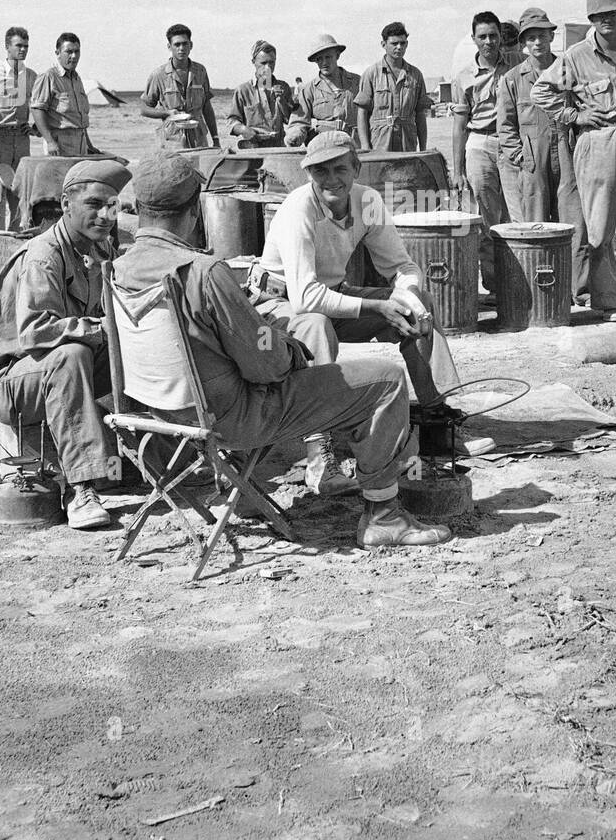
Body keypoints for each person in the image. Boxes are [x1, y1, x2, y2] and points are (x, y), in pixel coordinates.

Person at [113, 152, 450, 549]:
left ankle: (291, 463)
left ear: (138, 209)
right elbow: (266, 364)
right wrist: (293, 350)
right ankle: (383, 515)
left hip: (160, 417)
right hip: (234, 420)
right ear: (194, 209)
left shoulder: (119, 269)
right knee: (387, 380)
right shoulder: (204, 272)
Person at [248, 130, 459, 491]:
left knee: (417, 306)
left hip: (331, 294)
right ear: (308, 175)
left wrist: (404, 298)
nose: (332, 180)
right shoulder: (299, 208)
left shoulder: (368, 201)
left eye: (340, 169)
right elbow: (305, 299)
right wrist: (378, 305)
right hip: (275, 305)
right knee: (316, 327)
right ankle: (319, 455)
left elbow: (404, 267)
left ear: (356, 168)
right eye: (321, 172)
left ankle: (436, 421)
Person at [0, 158, 132, 530]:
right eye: (94, 205)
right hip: (10, 380)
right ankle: (81, 489)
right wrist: (101, 327)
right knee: (73, 353)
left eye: (112, 206)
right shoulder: (44, 255)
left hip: (51, 372)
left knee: (134, 346)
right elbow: (35, 331)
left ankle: (152, 457)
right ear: (66, 205)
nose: (106, 215)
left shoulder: (100, 247)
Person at [531, 0, 616, 320]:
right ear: (591, 19)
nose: (606, 20)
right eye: (598, 15)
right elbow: (542, 90)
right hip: (595, 141)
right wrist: (573, 115)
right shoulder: (575, 56)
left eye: (612, 13)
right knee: (600, 228)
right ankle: (609, 302)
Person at [497, 7, 591, 300]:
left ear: (552, 36)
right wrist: (521, 159)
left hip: (566, 152)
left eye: (543, 35)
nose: (538, 42)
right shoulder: (512, 79)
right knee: (536, 228)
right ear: (524, 42)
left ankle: (580, 291)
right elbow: (506, 127)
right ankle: (542, 291)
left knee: (574, 224)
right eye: (531, 37)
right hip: (533, 160)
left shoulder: (569, 68)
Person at [450, 11, 512, 294]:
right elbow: (459, 126)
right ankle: (493, 285)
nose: (489, 41)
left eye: (493, 35)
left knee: (515, 216)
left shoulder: (515, 67)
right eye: (482, 36)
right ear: (474, 39)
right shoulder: (463, 76)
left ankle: (516, 284)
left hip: (512, 144)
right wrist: (458, 170)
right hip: (480, 144)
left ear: (501, 37)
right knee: (487, 220)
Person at [0, 27, 37, 232]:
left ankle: (16, 241)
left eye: (26, 46)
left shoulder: (30, 76)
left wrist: (35, 128)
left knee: (20, 194)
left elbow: (40, 105)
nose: (23, 50)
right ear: (7, 47)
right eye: (18, 45)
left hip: (21, 141)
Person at [140, 23, 219, 151]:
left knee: (200, 171)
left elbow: (207, 107)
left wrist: (215, 138)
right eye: (177, 44)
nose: (181, 48)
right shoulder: (159, 75)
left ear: (191, 45)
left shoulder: (200, 71)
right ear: (169, 47)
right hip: (171, 141)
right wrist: (167, 113)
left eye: (185, 43)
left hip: (198, 138)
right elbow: (144, 108)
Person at [355, 22, 432, 152]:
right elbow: (362, 112)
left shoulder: (415, 75)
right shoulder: (371, 74)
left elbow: (420, 114)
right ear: (383, 45)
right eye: (394, 43)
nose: (399, 47)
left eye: (403, 43)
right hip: (380, 142)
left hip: (407, 142)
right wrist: (365, 146)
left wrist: (423, 148)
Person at [31, 33, 99, 158]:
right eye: (68, 52)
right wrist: (50, 142)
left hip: (80, 142)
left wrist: (89, 145)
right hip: (59, 143)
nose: (73, 56)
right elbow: (37, 110)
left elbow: (79, 119)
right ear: (57, 53)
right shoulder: (48, 77)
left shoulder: (76, 79)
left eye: (77, 51)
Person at [285, 34, 360, 146]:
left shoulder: (357, 82)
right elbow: (299, 121)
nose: (324, 63)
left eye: (328, 57)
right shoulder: (308, 90)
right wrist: (295, 135)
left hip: (354, 145)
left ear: (337, 55)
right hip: (323, 147)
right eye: (319, 59)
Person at [227, 40, 294, 149]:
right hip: (253, 147)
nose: (268, 68)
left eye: (271, 62)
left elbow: (291, 120)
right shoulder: (243, 90)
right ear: (253, 62)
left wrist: (281, 101)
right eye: (263, 63)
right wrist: (244, 130)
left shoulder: (284, 87)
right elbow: (232, 122)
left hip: (278, 147)